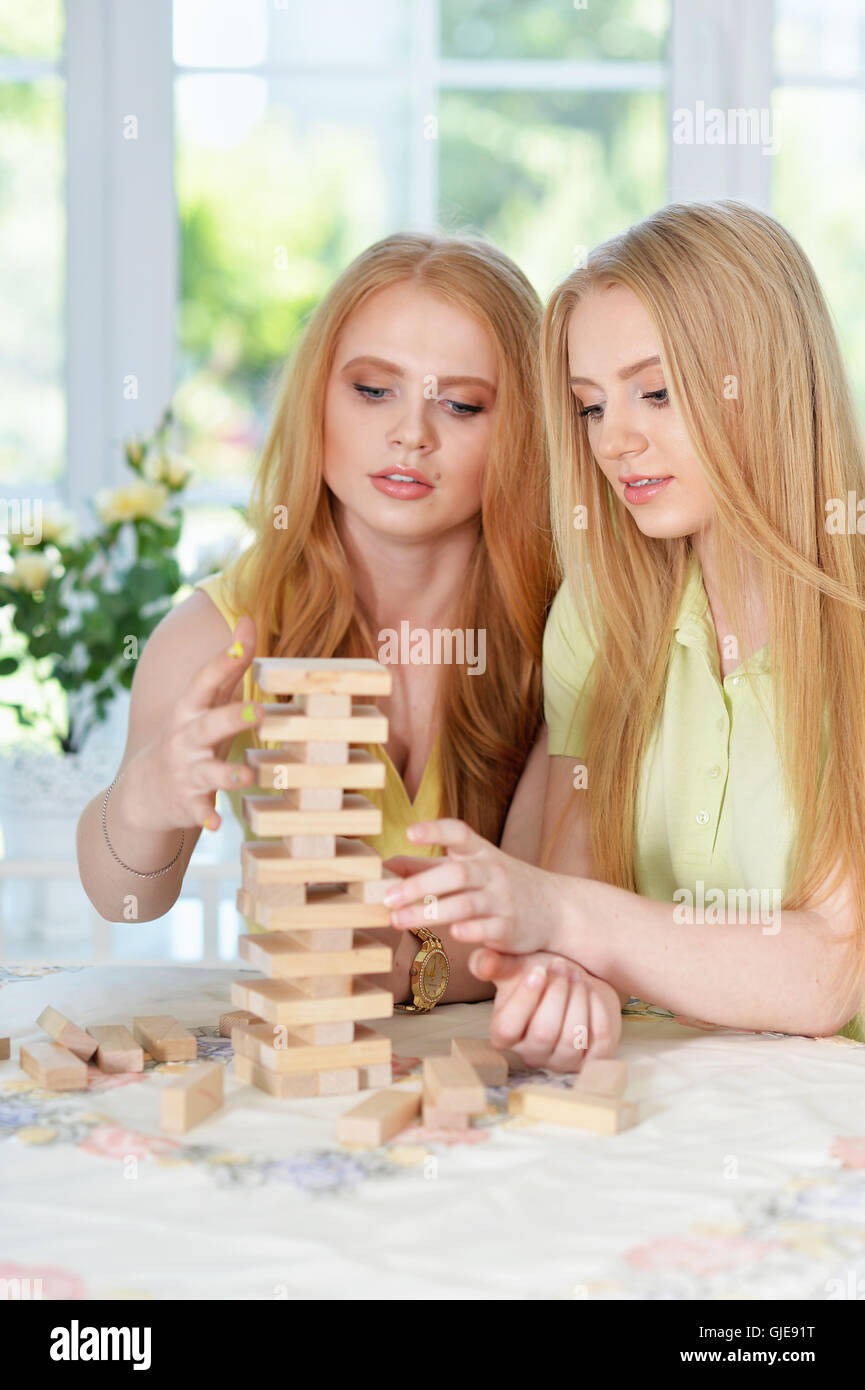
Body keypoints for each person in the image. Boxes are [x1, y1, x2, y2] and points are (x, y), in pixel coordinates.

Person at [77, 231, 623, 1061]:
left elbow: (542, 920)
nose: (410, 435)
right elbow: (127, 901)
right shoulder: (216, 633)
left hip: (491, 1065)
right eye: (372, 390)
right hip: (300, 1055)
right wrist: (147, 798)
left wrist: (411, 969)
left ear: (525, 432)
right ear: (317, 400)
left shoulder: (565, 634)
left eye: (461, 404)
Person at [385, 200, 865, 1046]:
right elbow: (570, 885)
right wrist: (557, 975)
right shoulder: (600, 612)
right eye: (591, 405)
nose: (614, 441)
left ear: (771, 379)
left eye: (655, 391)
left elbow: (828, 973)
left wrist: (560, 918)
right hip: (661, 1099)